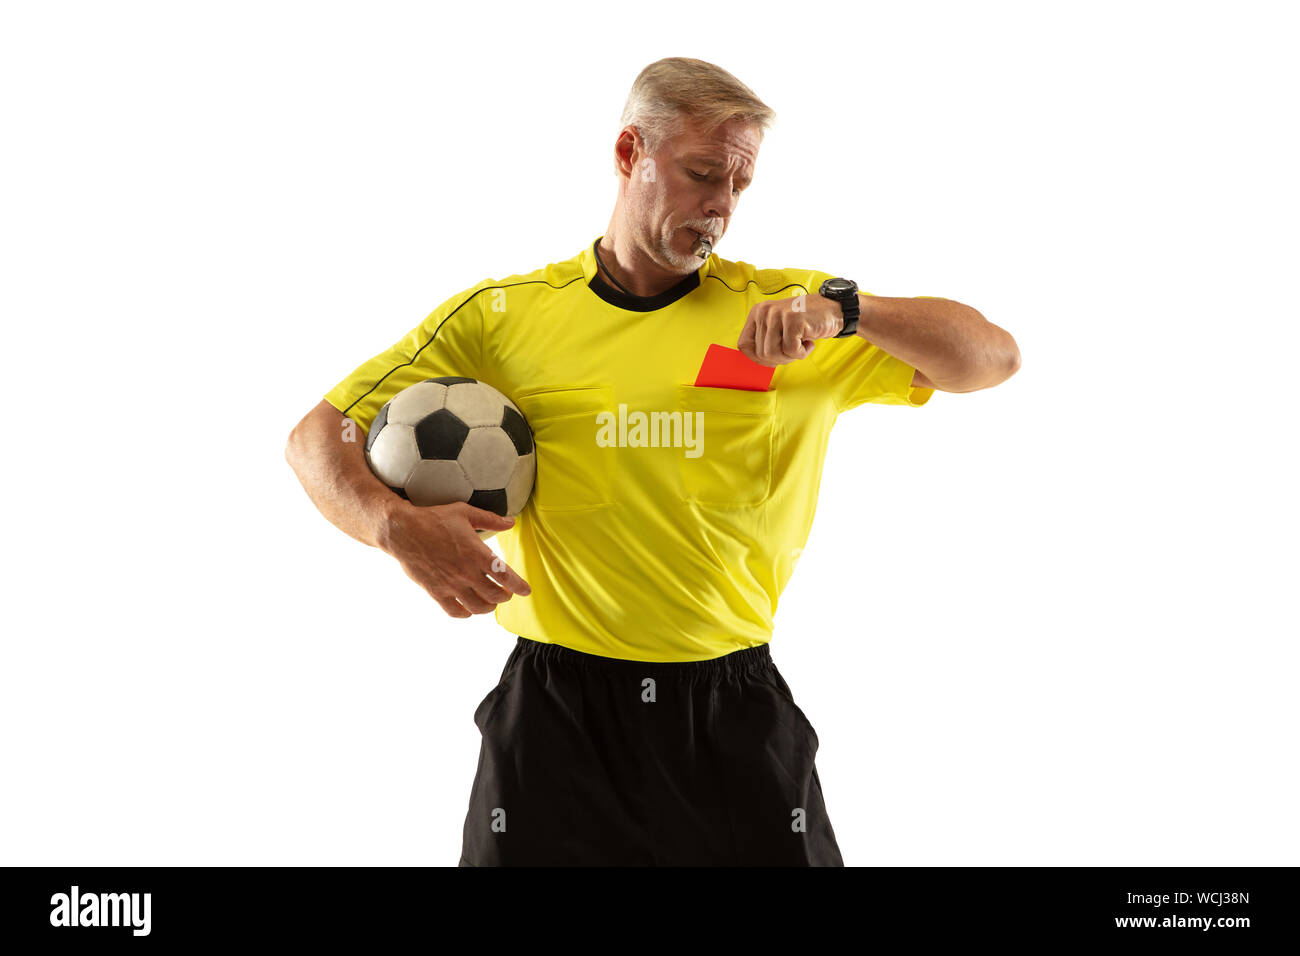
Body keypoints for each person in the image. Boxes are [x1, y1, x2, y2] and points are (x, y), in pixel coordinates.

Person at [285, 56, 1021, 866]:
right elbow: (318, 437)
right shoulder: (505, 317)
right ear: (630, 151)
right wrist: (394, 527)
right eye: (703, 173)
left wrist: (848, 310)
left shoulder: (788, 313)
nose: (720, 205)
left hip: (731, 714)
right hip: (555, 717)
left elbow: (992, 359)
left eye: (739, 185)